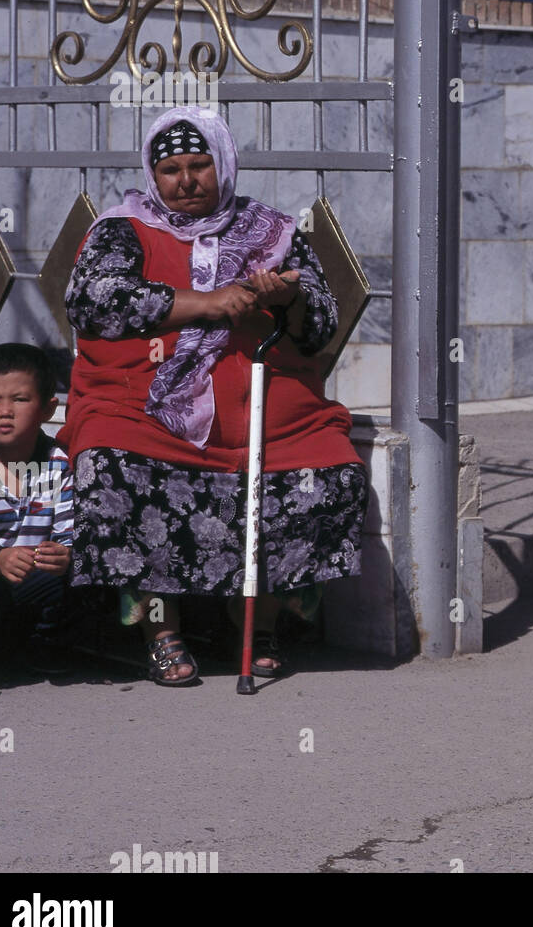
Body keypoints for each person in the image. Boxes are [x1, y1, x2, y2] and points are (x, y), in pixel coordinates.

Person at [60, 105, 368, 686]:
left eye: (199, 164)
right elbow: (93, 301)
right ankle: (162, 628)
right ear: (153, 174)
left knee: (331, 475)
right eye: (170, 168)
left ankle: (252, 623)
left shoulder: (273, 232)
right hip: (146, 413)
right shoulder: (122, 229)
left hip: (268, 416)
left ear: (223, 165)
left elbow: (322, 322)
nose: (186, 180)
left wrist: (285, 300)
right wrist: (206, 303)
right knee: (111, 463)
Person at [0, 343, 72, 695]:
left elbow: (70, 533)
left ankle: (36, 645)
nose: (5, 412)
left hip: (29, 583)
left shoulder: (58, 464)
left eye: (20, 400)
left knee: (72, 577)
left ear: (48, 408)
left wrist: (64, 554)